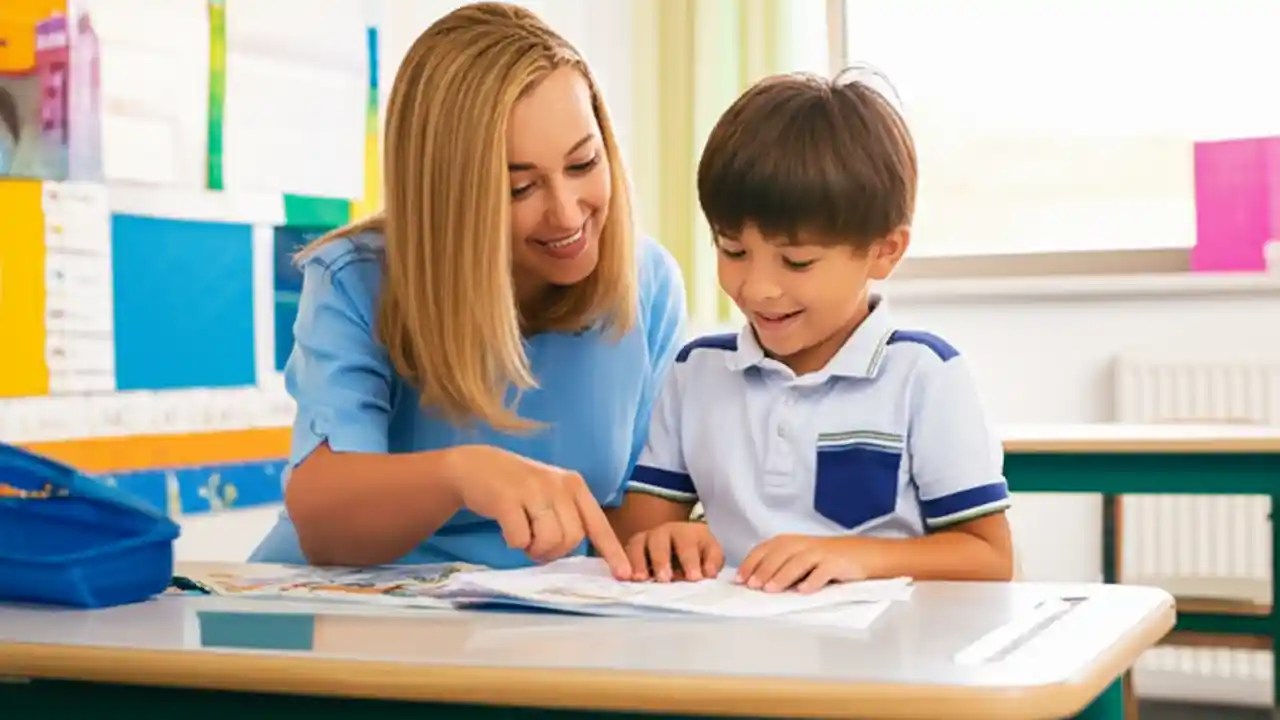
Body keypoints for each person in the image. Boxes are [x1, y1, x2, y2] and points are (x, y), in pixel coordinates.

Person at [249, 2, 687, 579]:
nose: (566, 213)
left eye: (583, 163)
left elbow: (631, 527)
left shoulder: (647, 284)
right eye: (519, 187)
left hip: (540, 628)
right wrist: (462, 475)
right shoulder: (354, 278)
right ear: (449, 198)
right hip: (352, 620)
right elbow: (325, 522)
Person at [610, 70, 1014, 593]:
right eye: (733, 251)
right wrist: (669, 540)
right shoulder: (696, 371)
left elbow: (988, 555)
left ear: (884, 251)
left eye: (796, 262)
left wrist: (856, 557)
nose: (757, 288)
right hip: (731, 657)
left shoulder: (924, 376)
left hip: (882, 659)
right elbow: (641, 531)